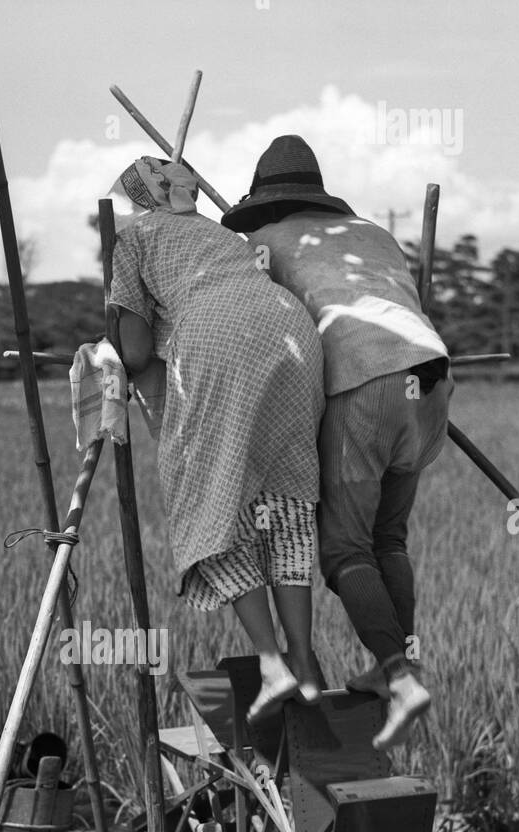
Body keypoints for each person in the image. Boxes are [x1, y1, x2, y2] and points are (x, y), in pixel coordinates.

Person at [222, 136, 453, 750]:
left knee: (345, 551)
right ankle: (391, 664)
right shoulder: (375, 235)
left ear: (264, 202)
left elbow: (262, 329)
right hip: (430, 376)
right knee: (389, 538)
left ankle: (401, 679)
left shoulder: (262, 246)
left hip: (361, 382)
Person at [108, 155, 326, 722]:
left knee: (209, 494)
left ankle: (272, 663)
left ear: (137, 200)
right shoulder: (219, 232)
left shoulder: (134, 238)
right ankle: (304, 658)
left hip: (218, 335)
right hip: (290, 329)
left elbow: (132, 352)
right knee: (283, 496)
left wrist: (125, 328)